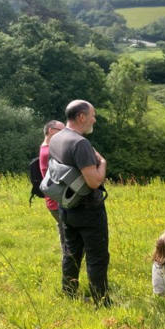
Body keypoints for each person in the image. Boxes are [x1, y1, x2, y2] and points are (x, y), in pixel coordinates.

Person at [48, 100, 110, 306]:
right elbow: (93, 181)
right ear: (81, 117)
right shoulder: (80, 143)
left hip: (66, 207)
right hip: (89, 210)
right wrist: (102, 163)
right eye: (92, 114)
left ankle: (69, 293)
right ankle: (101, 302)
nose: (94, 118)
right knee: (97, 257)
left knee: (71, 253)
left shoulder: (56, 138)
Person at [38, 120, 65, 251]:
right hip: (57, 200)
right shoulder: (49, 151)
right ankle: (70, 264)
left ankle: (70, 262)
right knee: (69, 235)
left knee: (65, 231)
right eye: (61, 130)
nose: (65, 133)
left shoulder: (45, 147)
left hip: (54, 199)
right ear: (51, 130)